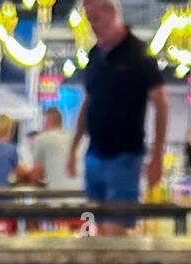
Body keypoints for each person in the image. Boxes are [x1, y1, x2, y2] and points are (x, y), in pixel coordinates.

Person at [68, 0, 167, 229]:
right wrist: (73, 148)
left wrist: (157, 156)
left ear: (112, 13)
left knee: (117, 228)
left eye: (95, 18)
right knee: (92, 225)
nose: (92, 25)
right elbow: (88, 102)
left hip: (125, 156)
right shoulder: (94, 55)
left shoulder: (139, 53)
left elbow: (161, 104)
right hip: (94, 155)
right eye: (89, 19)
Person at [28, 108, 77, 191]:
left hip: (56, 196)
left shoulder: (41, 139)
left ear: (46, 122)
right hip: (79, 194)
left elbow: (36, 175)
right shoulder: (73, 139)